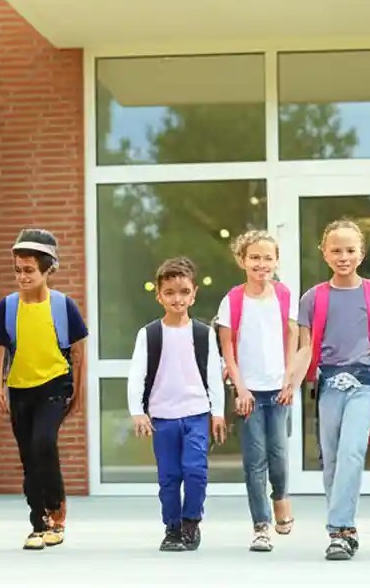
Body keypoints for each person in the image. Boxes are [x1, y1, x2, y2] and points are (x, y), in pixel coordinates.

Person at [285, 218, 370, 561]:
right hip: (328, 382)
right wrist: (290, 380)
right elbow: (305, 347)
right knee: (332, 459)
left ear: (361, 253)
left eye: (350, 250)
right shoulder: (313, 298)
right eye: (336, 250)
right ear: (324, 253)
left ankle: (340, 528)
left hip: (364, 382)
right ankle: (343, 530)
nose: (343, 256)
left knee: (352, 453)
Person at [0, 228, 89, 550]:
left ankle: (57, 513)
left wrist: (79, 395)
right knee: (29, 456)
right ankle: (38, 522)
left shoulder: (63, 306)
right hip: (20, 388)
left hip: (55, 384)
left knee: (44, 443)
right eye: (17, 269)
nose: (22, 276)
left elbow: (79, 353)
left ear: (48, 269)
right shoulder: (8, 307)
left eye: (29, 270)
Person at [128, 256, 227, 552]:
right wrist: (137, 412)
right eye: (169, 293)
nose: (177, 299)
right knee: (169, 476)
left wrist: (218, 413)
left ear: (194, 293)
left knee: (195, 471)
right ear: (159, 295)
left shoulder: (203, 333)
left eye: (184, 292)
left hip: (196, 414)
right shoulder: (149, 334)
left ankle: (190, 523)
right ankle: (172, 529)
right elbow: (137, 374)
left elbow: (213, 376)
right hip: (163, 417)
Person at [216, 230, 297, 551]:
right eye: (255, 258)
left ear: (276, 261)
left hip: (279, 390)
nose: (261, 264)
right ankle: (260, 525)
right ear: (242, 260)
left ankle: (281, 499)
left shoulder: (285, 296)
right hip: (249, 392)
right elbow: (228, 351)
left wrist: (290, 380)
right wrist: (241, 389)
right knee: (254, 460)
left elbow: (294, 340)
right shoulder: (233, 300)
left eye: (268, 258)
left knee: (278, 455)